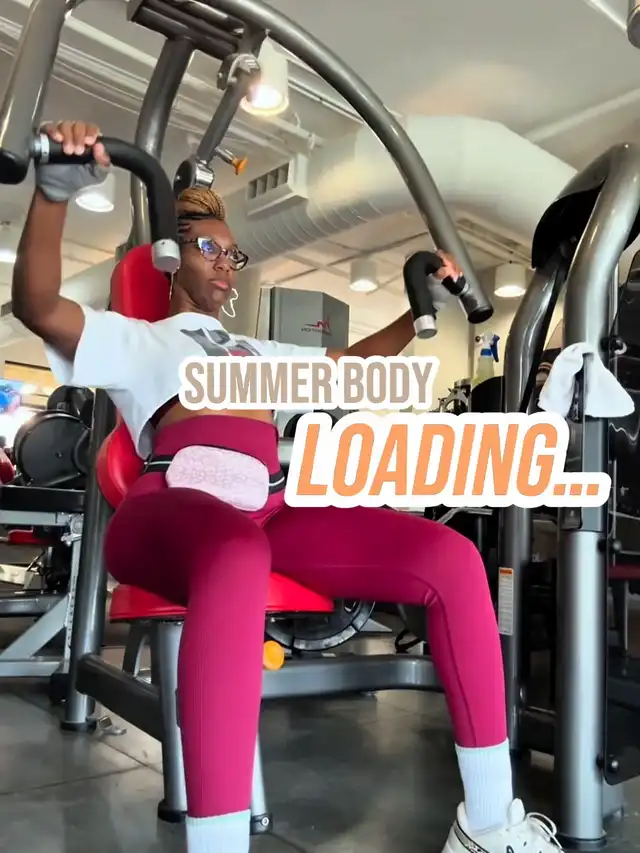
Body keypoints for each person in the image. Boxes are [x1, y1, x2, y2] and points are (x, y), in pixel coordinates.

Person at [13, 119, 562, 853]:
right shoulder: (140, 336)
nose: (227, 265)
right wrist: (52, 195)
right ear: (171, 257)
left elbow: (350, 368)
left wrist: (416, 309)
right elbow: (39, 306)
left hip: (269, 508)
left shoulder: (255, 350)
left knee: (452, 557)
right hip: (174, 499)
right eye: (210, 249)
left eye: (233, 254)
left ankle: (489, 822)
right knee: (235, 554)